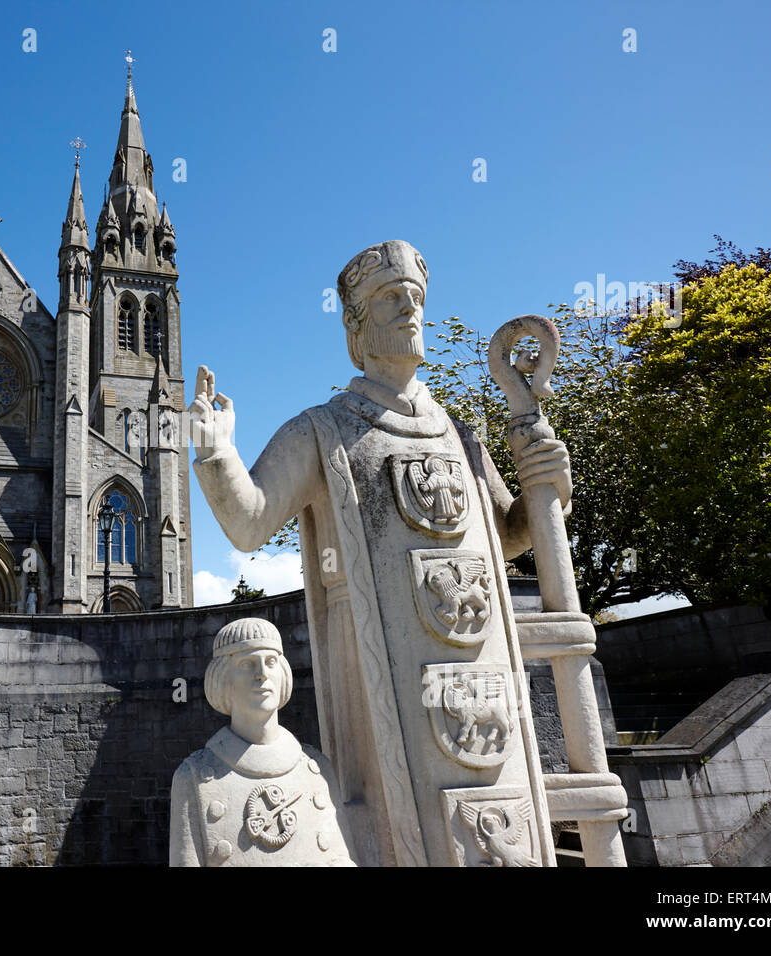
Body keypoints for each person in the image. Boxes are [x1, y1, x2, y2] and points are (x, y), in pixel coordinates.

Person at [187, 240, 563, 866]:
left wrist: (544, 482)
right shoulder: (320, 429)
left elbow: (510, 537)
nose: (410, 309)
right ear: (354, 327)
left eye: (416, 297)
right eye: (391, 299)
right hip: (376, 666)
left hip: (480, 674)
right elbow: (249, 524)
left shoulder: (460, 435)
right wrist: (216, 450)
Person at [169, 618, 355, 866]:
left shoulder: (318, 768)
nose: (262, 675)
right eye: (247, 664)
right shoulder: (192, 778)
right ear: (222, 679)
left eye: (270, 662)